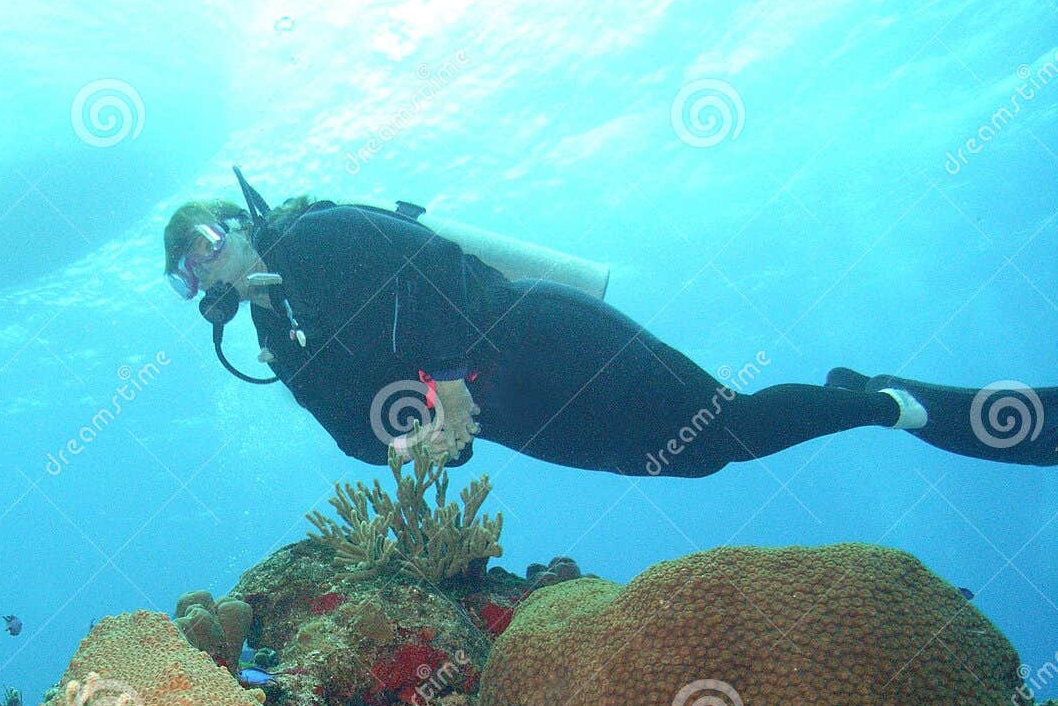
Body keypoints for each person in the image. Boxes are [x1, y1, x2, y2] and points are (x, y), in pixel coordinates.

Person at [162, 178, 1058, 476]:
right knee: (704, 458)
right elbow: (366, 440)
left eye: (203, 243)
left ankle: (881, 403)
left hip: (536, 337)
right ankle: (855, 397)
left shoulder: (317, 230)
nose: (203, 269)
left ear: (237, 224)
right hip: (512, 416)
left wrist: (441, 385)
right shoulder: (285, 331)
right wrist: (283, 341)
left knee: (728, 426)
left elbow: (428, 271)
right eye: (184, 272)